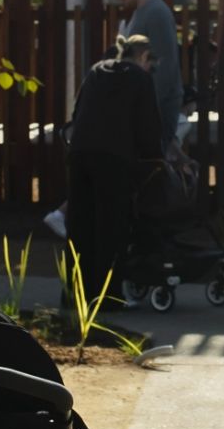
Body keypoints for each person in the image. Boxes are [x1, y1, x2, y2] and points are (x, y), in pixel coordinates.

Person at [63, 37, 164, 306]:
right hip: (115, 157)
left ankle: (73, 293)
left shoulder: (97, 71)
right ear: (143, 57)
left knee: (79, 223)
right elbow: (148, 127)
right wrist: (155, 158)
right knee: (111, 227)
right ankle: (106, 296)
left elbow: (78, 109)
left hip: (81, 152)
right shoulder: (141, 80)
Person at [106, 0, 182, 150]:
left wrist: (147, 107)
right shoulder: (141, 13)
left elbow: (165, 65)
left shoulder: (156, 12)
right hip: (144, 106)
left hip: (156, 109)